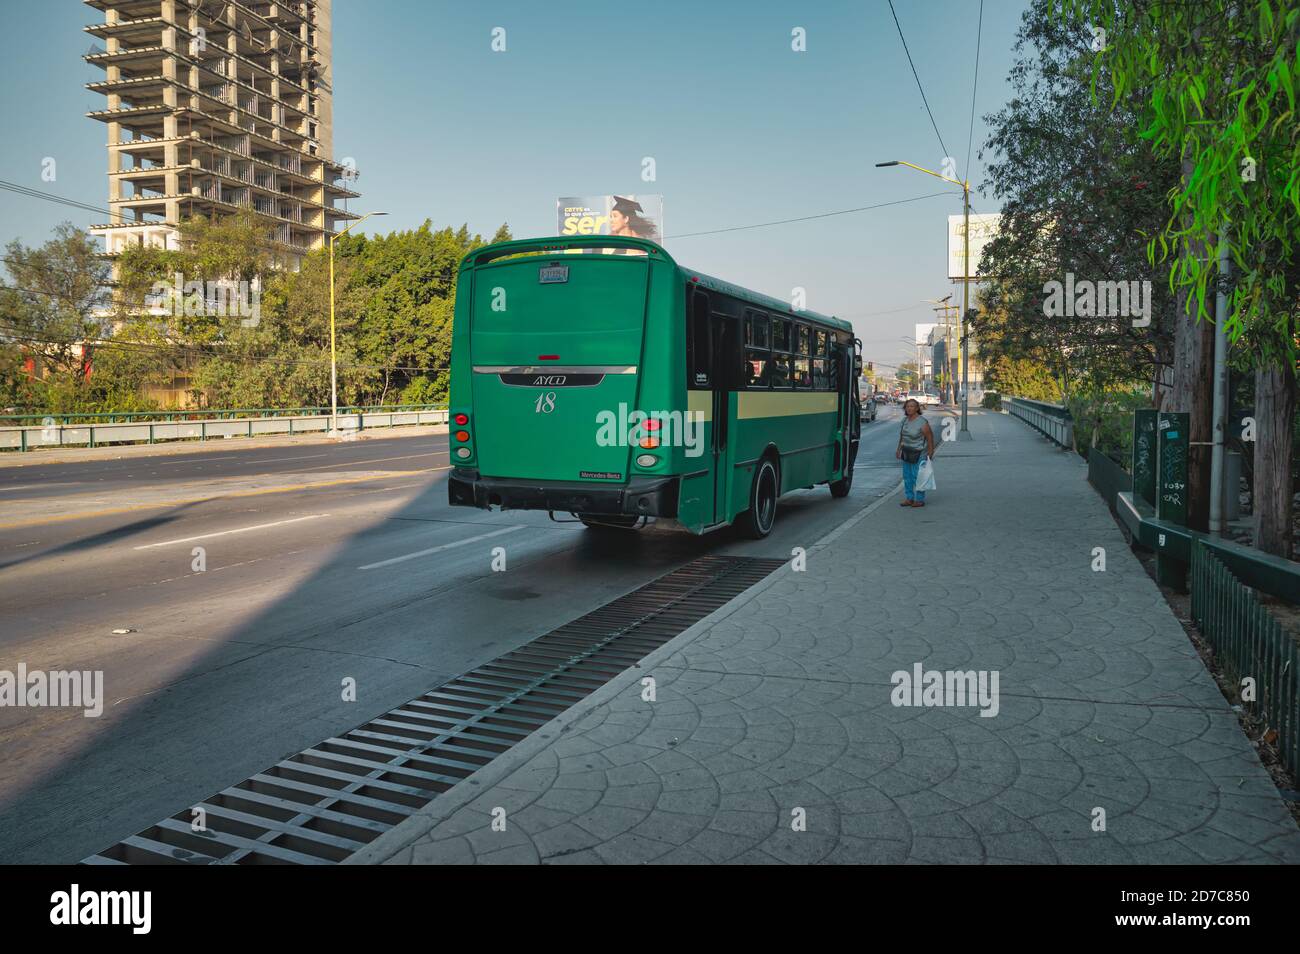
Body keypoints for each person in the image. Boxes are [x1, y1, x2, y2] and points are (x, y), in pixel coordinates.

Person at [896, 398, 936, 507]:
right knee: (907, 477)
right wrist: (898, 449)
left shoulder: (922, 422)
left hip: (919, 453)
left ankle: (919, 499)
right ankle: (909, 498)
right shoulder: (904, 421)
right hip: (906, 452)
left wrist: (930, 452)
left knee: (917, 477)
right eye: (908, 406)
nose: (909, 408)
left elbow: (930, 437)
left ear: (917, 408)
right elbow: (902, 436)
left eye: (912, 406)